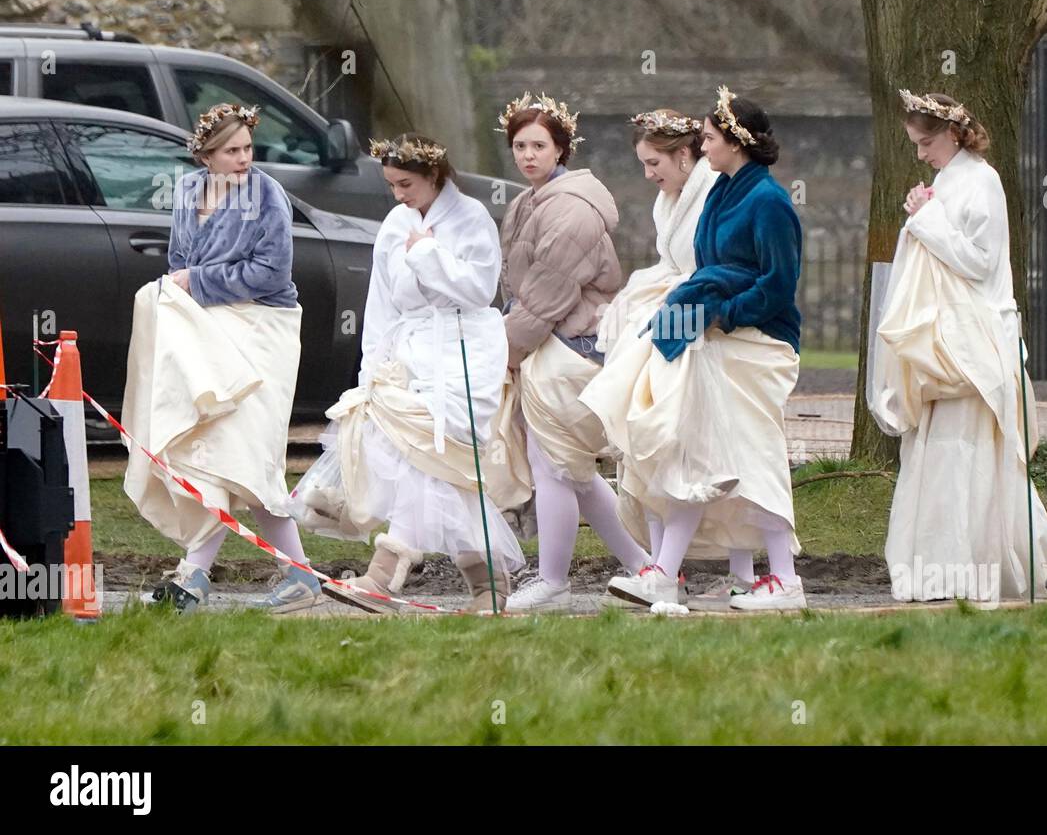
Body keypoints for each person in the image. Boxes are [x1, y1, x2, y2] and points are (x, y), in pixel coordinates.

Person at [587, 87, 806, 611]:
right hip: (718, 340)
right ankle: (666, 571)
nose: (702, 146)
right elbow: (709, 268)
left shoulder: (770, 201)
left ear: (737, 142)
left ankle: (785, 580)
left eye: (708, 138)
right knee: (692, 447)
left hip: (759, 343)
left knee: (756, 454)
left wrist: (720, 313)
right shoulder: (725, 191)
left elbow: (778, 285)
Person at [298, 134, 524, 613]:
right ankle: (490, 584)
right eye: (392, 185)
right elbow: (380, 302)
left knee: (435, 458)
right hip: (409, 352)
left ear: (434, 176)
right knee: (427, 463)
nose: (398, 194)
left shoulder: (472, 218)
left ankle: (386, 574)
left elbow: (480, 290)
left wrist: (427, 254)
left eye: (406, 183)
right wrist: (370, 369)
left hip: (464, 351)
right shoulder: (396, 222)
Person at [124, 103, 317, 612]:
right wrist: (185, 290)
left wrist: (200, 283)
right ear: (206, 157)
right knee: (220, 455)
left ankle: (206, 578)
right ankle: (224, 577)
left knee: (246, 451)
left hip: (262, 328)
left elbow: (273, 272)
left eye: (248, 148)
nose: (243, 159)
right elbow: (178, 261)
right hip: (208, 328)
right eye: (231, 151)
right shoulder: (188, 191)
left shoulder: (266, 194)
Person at [869, 89, 1047, 603]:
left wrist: (924, 220)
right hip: (948, 337)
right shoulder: (949, 179)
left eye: (927, 142)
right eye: (915, 144)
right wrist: (923, 213)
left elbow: (979, 262)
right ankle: (941, 567)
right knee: (940, 451)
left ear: (954, 133)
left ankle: (971, 568)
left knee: (970, 451)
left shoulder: (983, 181)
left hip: (976, 338)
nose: (921, 153)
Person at [491, 94, 652, 613]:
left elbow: (547, 294)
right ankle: (644, 569)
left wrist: (505, 350)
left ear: (561, 148)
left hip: (568, 344)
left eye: (539, 145)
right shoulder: (527, 202)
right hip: (546, 342)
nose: (528, 155)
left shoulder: (572, 207)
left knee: (556, 465)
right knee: (571, 470)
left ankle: (554, 582)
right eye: (520, 145)